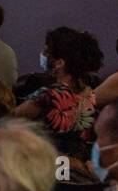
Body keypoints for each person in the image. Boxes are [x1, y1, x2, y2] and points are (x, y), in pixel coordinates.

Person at [15, 26, 103, 160]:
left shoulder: (50, 96)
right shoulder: (89, 93)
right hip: (73, 164)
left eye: (47, 52)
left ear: (59, 63)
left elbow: (8, 119)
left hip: (45, 163)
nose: (43, 55)